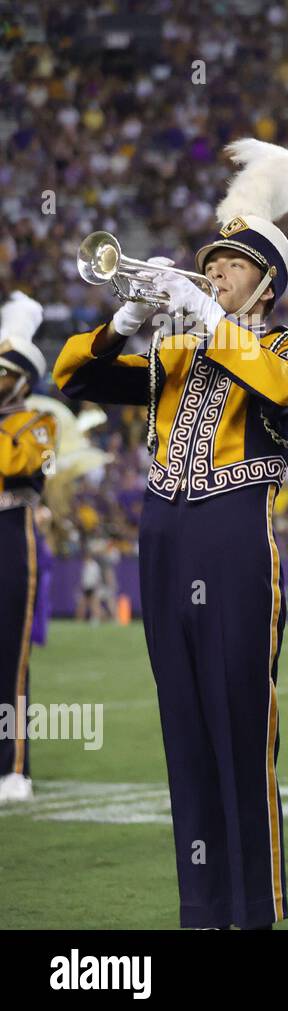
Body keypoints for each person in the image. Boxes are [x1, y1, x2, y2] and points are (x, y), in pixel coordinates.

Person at [55, 139, 288, 929]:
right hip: (164, 538)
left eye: (232, 265)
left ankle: (254, 908)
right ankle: (202, 908)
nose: (215, 273)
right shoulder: (171, 354)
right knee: (185, 729)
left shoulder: (285, 346)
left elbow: (283, 395)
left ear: (266, 285)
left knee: (240, 721)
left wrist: (206, 315)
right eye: (211, 263)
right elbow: (73, 377)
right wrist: (126, 316)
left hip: (234, 540)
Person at [0, 292, 56, 803]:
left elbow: (21, 466)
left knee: (10, 655)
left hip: (11, 531)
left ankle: (14, 766)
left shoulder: (39, 421)